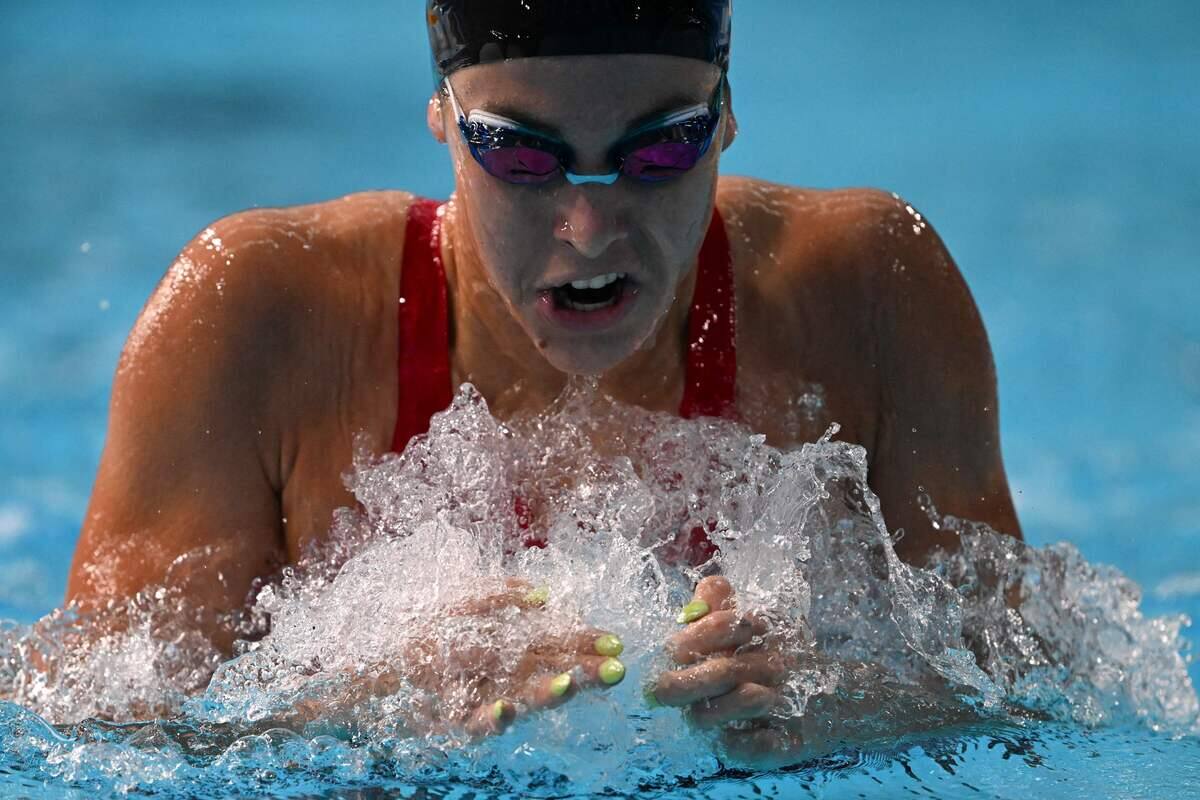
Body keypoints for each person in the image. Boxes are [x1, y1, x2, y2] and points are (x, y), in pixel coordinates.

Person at [63, 0, 1021, 761]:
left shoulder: (871, 295)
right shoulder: (254, 317)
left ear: (727, 114)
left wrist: (850, 693)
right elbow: (82, 721)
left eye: (660, 150)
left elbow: (1040, 681)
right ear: (443, 115)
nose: (589, 230)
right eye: (521, 155)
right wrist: (356, 706)